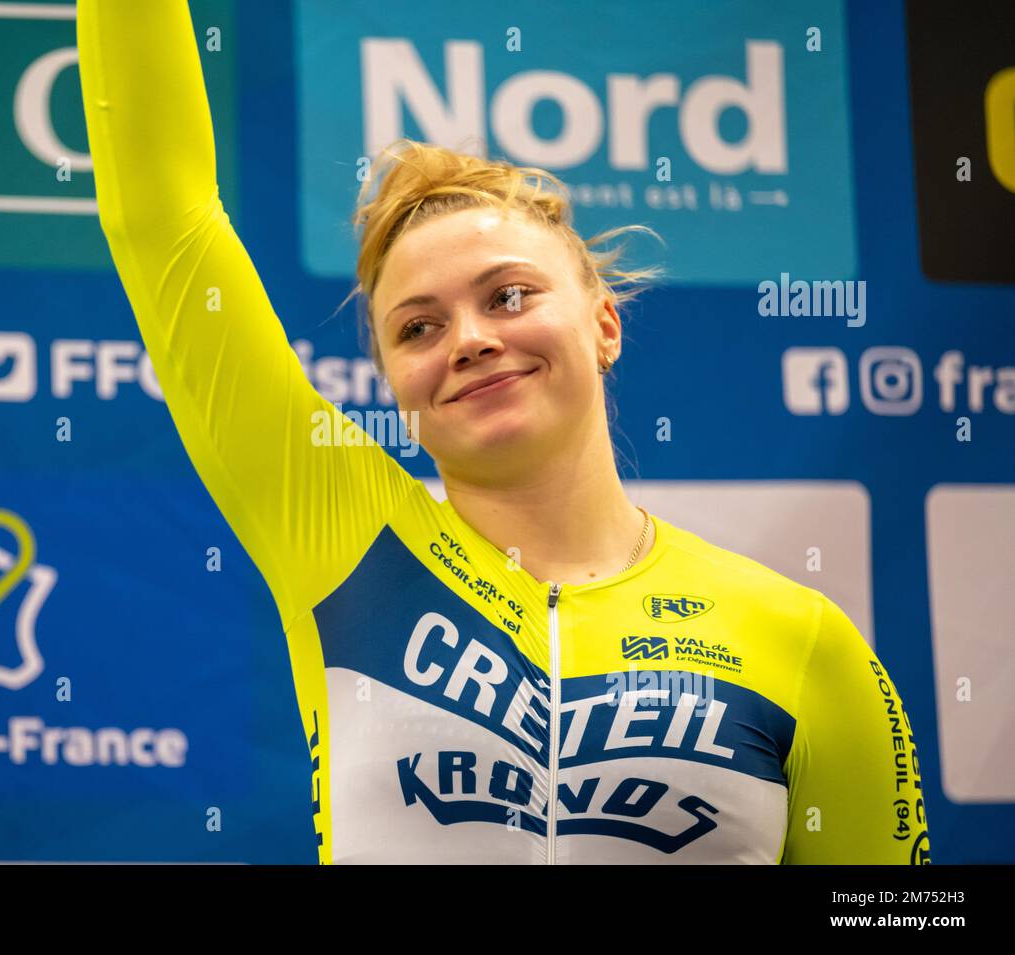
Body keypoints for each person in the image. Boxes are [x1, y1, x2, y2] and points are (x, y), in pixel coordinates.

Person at [76, 0, 930, 864]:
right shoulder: (346, 539)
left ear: (604, 325)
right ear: (393, 384)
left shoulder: (803, 640)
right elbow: (160, 217)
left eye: (509, 295)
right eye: (417, 327)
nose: (471, 339)